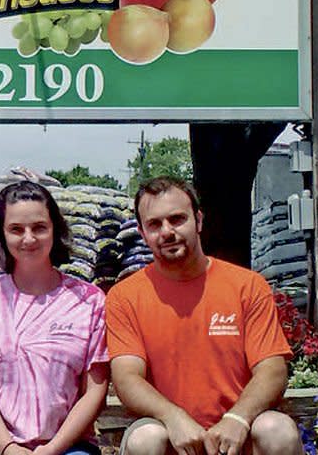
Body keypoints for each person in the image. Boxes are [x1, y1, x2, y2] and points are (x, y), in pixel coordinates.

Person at [106, 176, 303, 455]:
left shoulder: (247, 286)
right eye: (154, 224)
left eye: (177, 219)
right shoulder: (124, 296)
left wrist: (238, 418)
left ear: (198, 221)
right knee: (145, 439)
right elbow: (127, 379)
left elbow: (272, 370)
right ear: (141, 232)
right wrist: (174, 418)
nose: (167, 232)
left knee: (277, 430)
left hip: (236, 438)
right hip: (171, 437)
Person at [0, 181, 109, 455]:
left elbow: (94, 391)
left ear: (55, 230)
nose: (28, 239)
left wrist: (51, 450)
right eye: (16, 229)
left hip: (69, 445)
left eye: (39, 227)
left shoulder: (89, 301)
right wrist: (8, 447)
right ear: (1, 234)